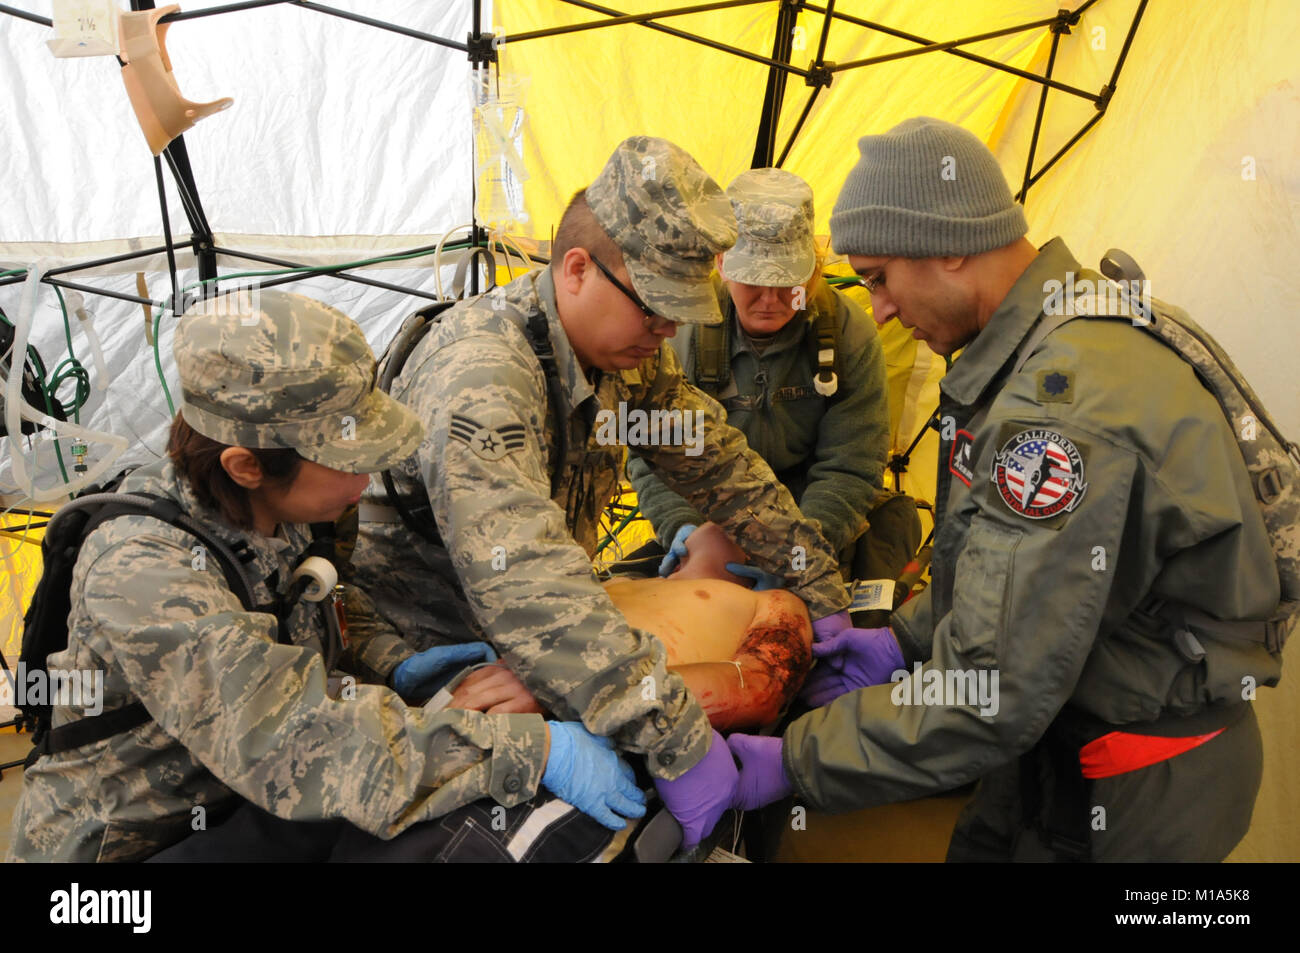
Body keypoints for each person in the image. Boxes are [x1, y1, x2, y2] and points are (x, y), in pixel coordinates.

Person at [726, 117, 1283, 861]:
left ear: (949, 245)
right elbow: (1003, 565)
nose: (880, 309)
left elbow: (988, 694)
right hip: (1058, 744)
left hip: (1129, 788)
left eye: (881, 278)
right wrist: (906, 638)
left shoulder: (1062, 407)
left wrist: (791, 761)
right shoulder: (1063, 329)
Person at [349, 136, 862, 849]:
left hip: (516, 636)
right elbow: (526, 580)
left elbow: (719, 466)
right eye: (653, 308)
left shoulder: (624, 361)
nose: (669, 331)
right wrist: (678, 740)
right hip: (423, 649)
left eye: (681, 311)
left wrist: (824, 589)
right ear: (578, 269)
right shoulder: (483, 376)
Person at [6, 289, 644, 863]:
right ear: (247, 465)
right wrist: (529, 750)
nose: (365, 479)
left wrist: (395, 662)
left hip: (247, 811)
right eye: (346, 459)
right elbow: (289, 739)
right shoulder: (143, 569)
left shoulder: (298, 513)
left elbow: (322, 600)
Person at [627, 167, 917, 587]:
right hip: (709, 525)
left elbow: (850, 466)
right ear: (723, 264)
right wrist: (682, 530)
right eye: (754, 281)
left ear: (813, 269)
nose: (770, 300)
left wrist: (800, 554)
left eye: (786, 283)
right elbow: (651, 454)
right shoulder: (680, 329)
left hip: (812, 520)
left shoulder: (849, 332)